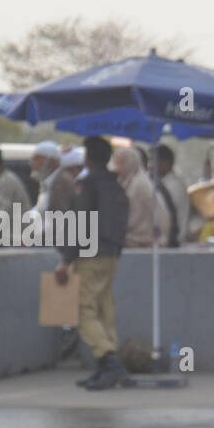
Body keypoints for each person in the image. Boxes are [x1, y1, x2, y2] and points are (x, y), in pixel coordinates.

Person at [54, 136, 130, 390]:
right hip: (110, 255)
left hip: (89, 255)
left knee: (82, 311)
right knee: (104, 309)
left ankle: (108, 362)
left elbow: (79, 224)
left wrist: (66, 260)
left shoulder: (86, 186)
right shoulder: (116, 186)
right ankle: (106, 367)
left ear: (88, 158)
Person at [113, 145, 168, 248]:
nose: (117, 168)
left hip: (144, 241)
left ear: (130, 163)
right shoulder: (127, 183)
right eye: (116, 163)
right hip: (133, 241)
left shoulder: (139, 184)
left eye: (121, 163)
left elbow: (158, 213)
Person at [153, 144, 190, 246]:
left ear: (166, 162)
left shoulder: (173, 186)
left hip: (173, 241)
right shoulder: (164, 183)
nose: (151, 166)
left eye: (155, 162)